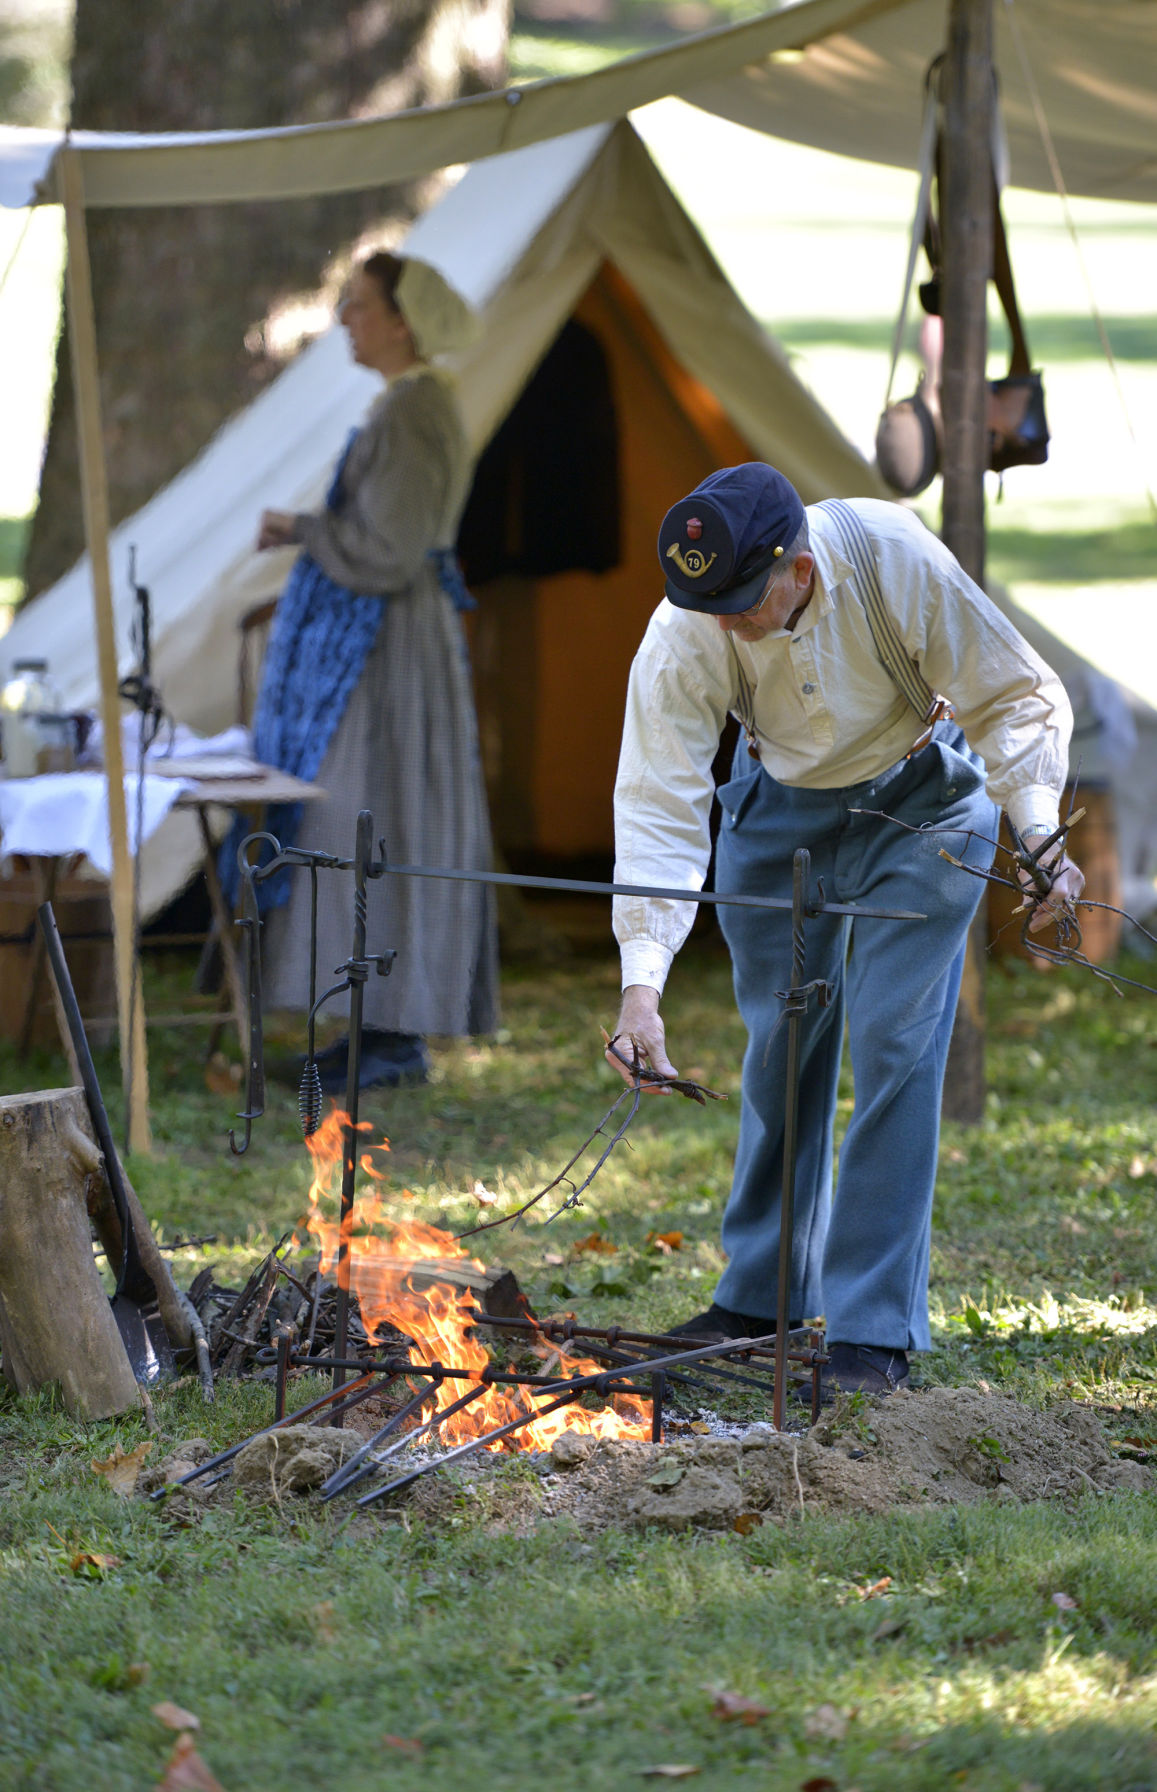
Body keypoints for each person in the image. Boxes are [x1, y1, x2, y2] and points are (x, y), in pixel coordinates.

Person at [606, 462, 1082, 1395]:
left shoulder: (889, 554)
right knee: (780, 1043)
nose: (729, 621)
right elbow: (659, 801)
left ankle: (873, 1334)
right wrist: (640, 988)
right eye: (712, 604)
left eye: (746, 599)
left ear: (800, 567)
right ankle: (760, 1298)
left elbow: (1011, 695)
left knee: (894, 1041)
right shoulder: (689, 627)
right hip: (776, 805)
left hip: (923, 804)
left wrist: (1035, 834)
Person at [250, 252, 498, 1088]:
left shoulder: (419, 407)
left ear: (402, 320)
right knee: (360, 819)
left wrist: (305, 530)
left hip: (392, 644)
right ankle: (368, 1026)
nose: (347, 321)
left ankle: (394, 1034)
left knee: (380, 817)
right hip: (377, 636)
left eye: (358, 307)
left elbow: (389, 552)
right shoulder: (403, 403)